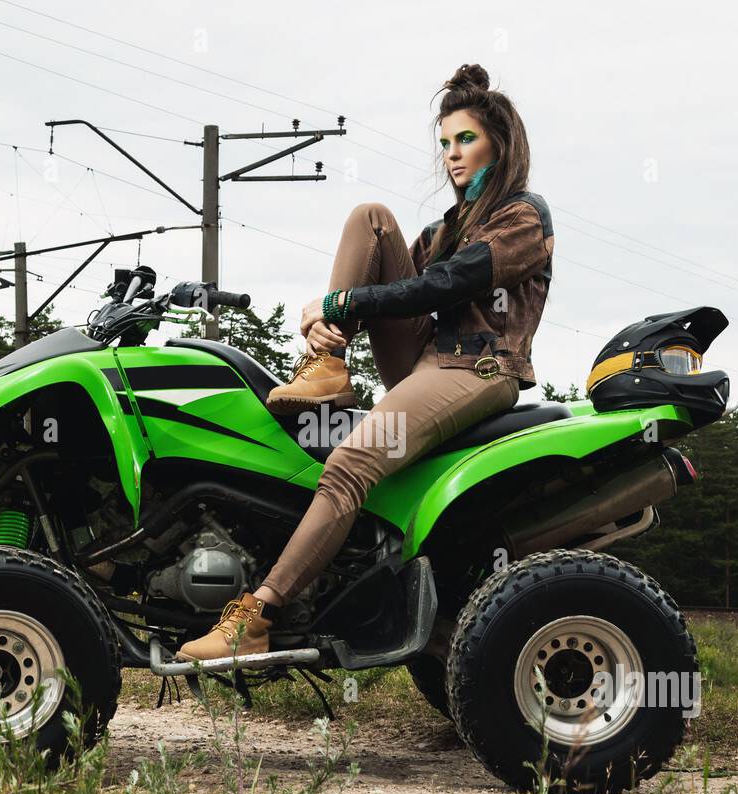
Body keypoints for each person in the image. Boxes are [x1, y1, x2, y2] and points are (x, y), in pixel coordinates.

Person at [177, 63, 556, 662]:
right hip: (426, 359)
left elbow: (440, 288)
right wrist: (327, 322)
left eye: (466, 140)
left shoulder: (522, 218)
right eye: (446, 144)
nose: (453, 155)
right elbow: (390, 287)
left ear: (499, 144)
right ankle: (327, 364)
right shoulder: (446, 228)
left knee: (351, 462)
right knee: (370, 217)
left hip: (480, 370)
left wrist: (339, 302)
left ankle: (258, 616)